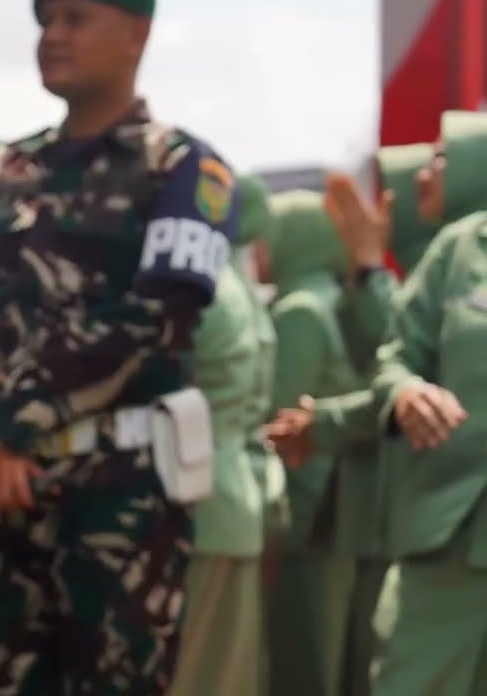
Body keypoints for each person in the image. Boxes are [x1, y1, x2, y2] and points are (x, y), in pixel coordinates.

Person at [0, 0, 237, 692]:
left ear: (136, 34)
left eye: (76, 17)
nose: (53, 35)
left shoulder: (183, 168)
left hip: (120, 501)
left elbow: (154, 319)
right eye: (46, 19)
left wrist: (4, 413)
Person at [369, 109, 487, 696]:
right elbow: (397, 356)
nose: (424, 171)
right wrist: (405, 391)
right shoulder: (459, 249)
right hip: (448, 535)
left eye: (441, 156)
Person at [168, 174, 275, 696]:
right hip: (232, 492)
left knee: (195, 675)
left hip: (196, 493)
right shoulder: (235, 284)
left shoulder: (200, 284)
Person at [256, 189, 361, 696]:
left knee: (301, 654)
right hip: (335, 505)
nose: (258, 250)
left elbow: (275, 414)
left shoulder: (299, 310)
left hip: (303, 510)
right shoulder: (334, 298)